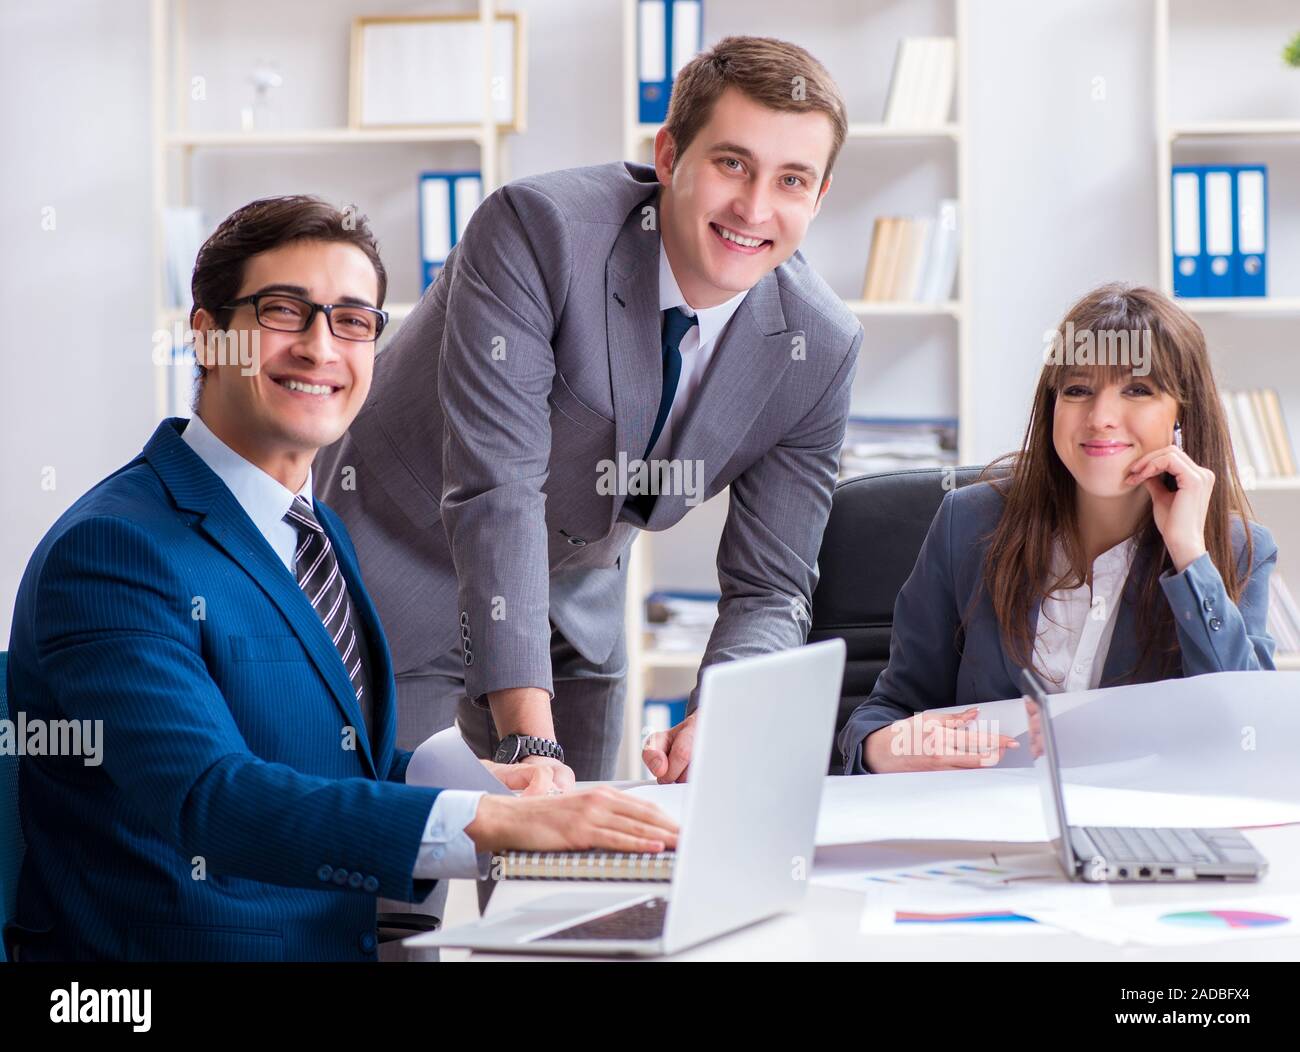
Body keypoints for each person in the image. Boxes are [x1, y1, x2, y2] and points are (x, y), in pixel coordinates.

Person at [4, 196, 676, 961]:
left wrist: (483, 783)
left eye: (353, 320)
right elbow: (210, 799)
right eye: (284, 312)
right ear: (207, 334)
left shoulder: (316, 533)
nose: (321, 348)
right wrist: (494, 826)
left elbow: (315, 755)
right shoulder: (114, 551)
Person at [316, 34, 862, 789]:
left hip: (579, 601)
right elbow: (497, 491)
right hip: (404, 569)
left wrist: (726, 712)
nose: (755, 207)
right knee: (395, 882)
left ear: (820, 195)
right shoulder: (537, 231)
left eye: (792, 179)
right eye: (732, 163)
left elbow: (772, 584)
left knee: (577, 872)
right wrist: (530, 749)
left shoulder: (819, 344)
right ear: (670, 157)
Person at [838, 283, 1277, 776]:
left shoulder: (1237, 552)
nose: (1100, 418)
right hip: (985, 828)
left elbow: (1250, 740)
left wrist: (1189, 556)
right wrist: (883, 748)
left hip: (1142, 836)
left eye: (1137, 390)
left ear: (1183, 417)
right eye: (1078, 390)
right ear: (1052, 405)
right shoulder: (968, 524)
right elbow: (887, 712)